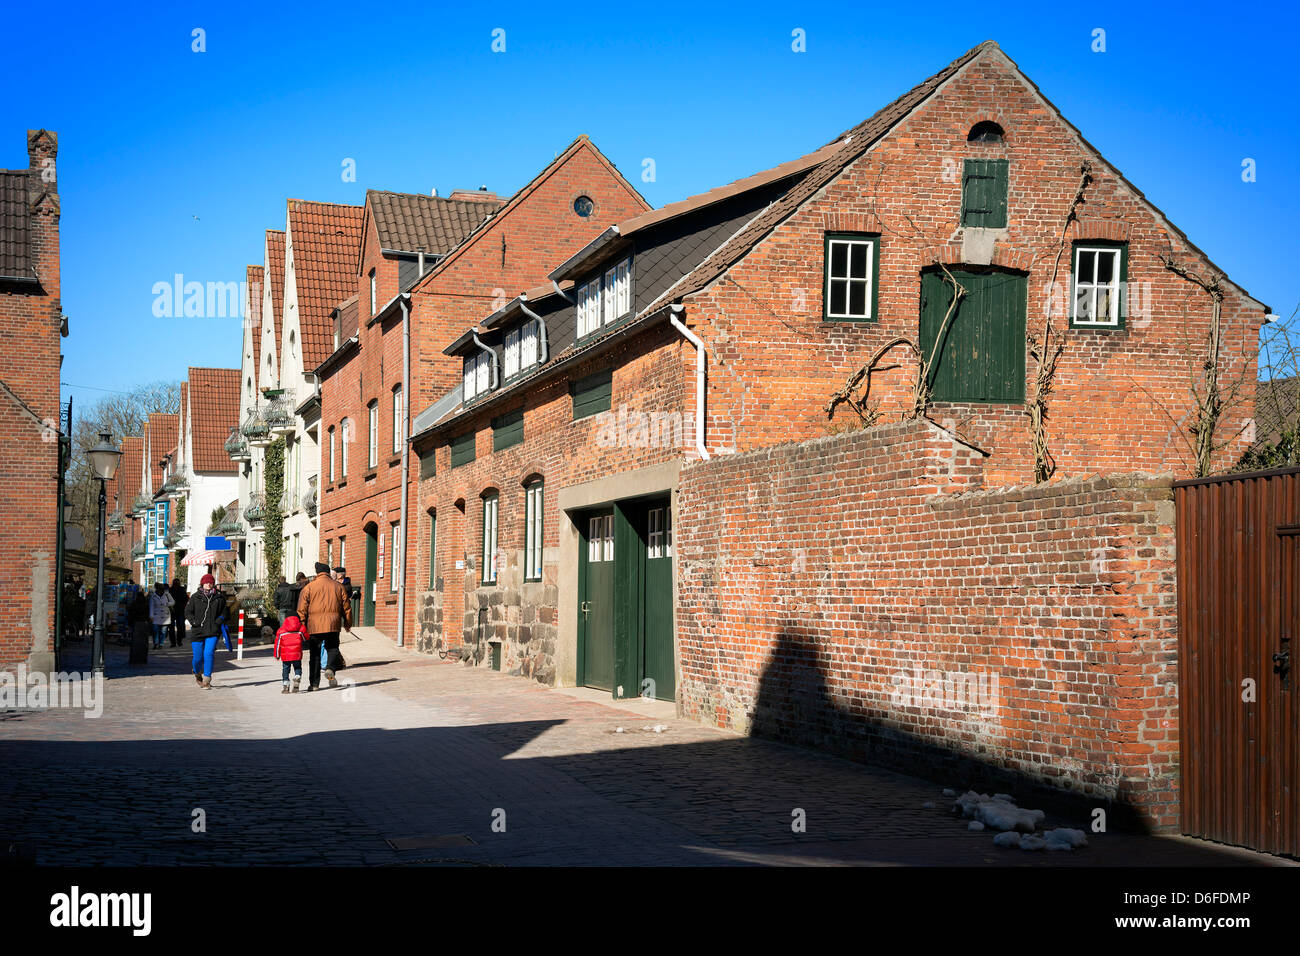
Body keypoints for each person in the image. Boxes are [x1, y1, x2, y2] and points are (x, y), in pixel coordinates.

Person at [296, 562, 352, 691]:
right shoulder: (338, 587)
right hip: (333, 624)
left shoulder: (309, 588)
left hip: (314, 626)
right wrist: (348, 624)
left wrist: (303, 624)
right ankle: (330, 668)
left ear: (317, 573)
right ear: (328, 572)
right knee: (333, 648)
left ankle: (314, 684)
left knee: (314, 654)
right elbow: (347, 608)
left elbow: (301, 609)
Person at [185, 574, 226, 689]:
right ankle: (197, 672)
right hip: (198, 631)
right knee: (197, 657)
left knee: (208, 653)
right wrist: (193, 622)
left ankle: (207, 679)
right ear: (202, 583)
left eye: (211, 582)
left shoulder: (219, 597)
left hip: (213, 631)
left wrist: (218, 621)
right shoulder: (195, 597)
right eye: (206, 582)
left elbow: (224, 613)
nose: (208, 584)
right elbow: (188, 612)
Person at [274, 613, 308, 694]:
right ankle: (297, 677)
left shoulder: (281, 631)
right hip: (297, 654)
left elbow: (277, 644)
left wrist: (277, 655)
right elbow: (305, 638)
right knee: (297, 668)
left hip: (286, 656)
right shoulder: (301, 629)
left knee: (286, 670)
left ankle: (286, 687)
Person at [148, 581, 175, 649]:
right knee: (155, 631)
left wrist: (167, 604)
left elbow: (173, 602)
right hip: (156, 615)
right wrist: (151, 616)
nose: (160, 590)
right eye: (159, 588)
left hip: (165, 615)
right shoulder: (153, 596)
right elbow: (151, 606)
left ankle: (161, 644)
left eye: (161, 588)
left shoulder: (167, 594)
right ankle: (156, 643)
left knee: (163, 631)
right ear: (156, 588)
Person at [169, 578, 188, 646]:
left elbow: (186, 599)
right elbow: (186, 599)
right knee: (173, 627)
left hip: (179, 610)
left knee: (179, 626)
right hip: (173, 610)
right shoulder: (170, 590)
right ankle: (175, 642)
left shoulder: (180, 590)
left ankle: (177, 642)